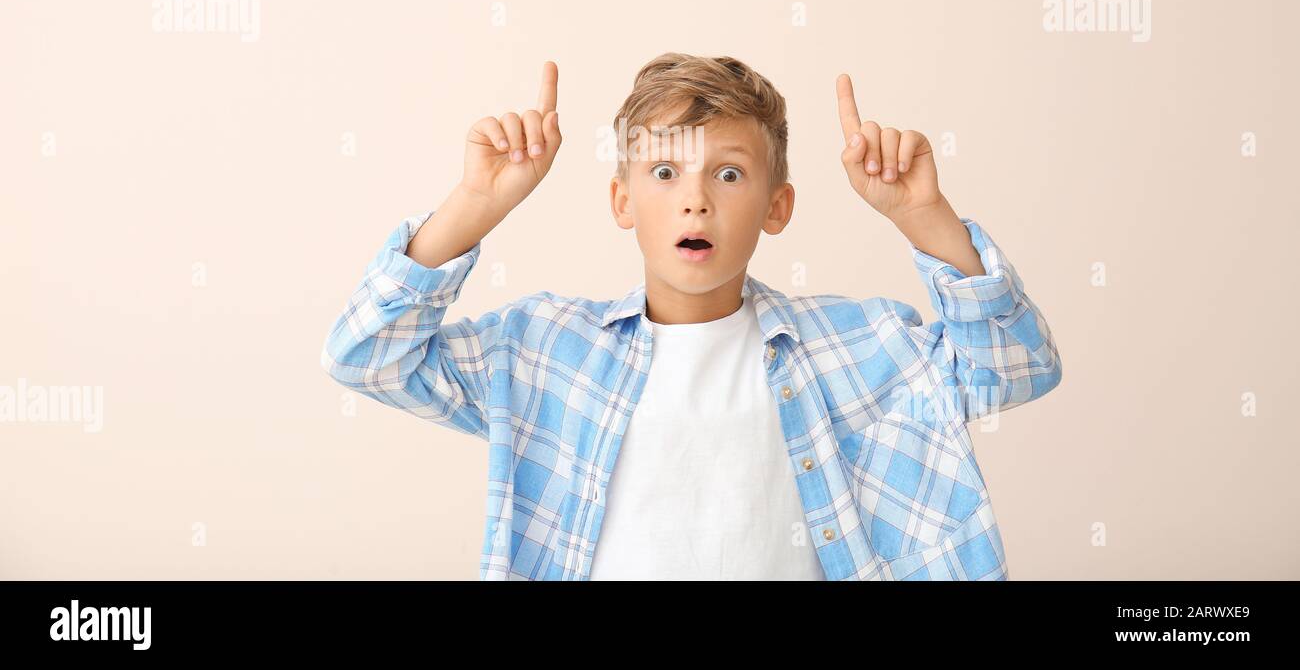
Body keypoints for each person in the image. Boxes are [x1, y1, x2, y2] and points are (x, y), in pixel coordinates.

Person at [321, 53, 1062, 580]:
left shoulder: (860, 347)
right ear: (622, 201)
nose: (694, 199)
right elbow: (367, 354)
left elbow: (1013, 368)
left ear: (778, 207)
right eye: (665, 172)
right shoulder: (545, 350)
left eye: (729, 174)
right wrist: (474, 208)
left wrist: (925, 217)